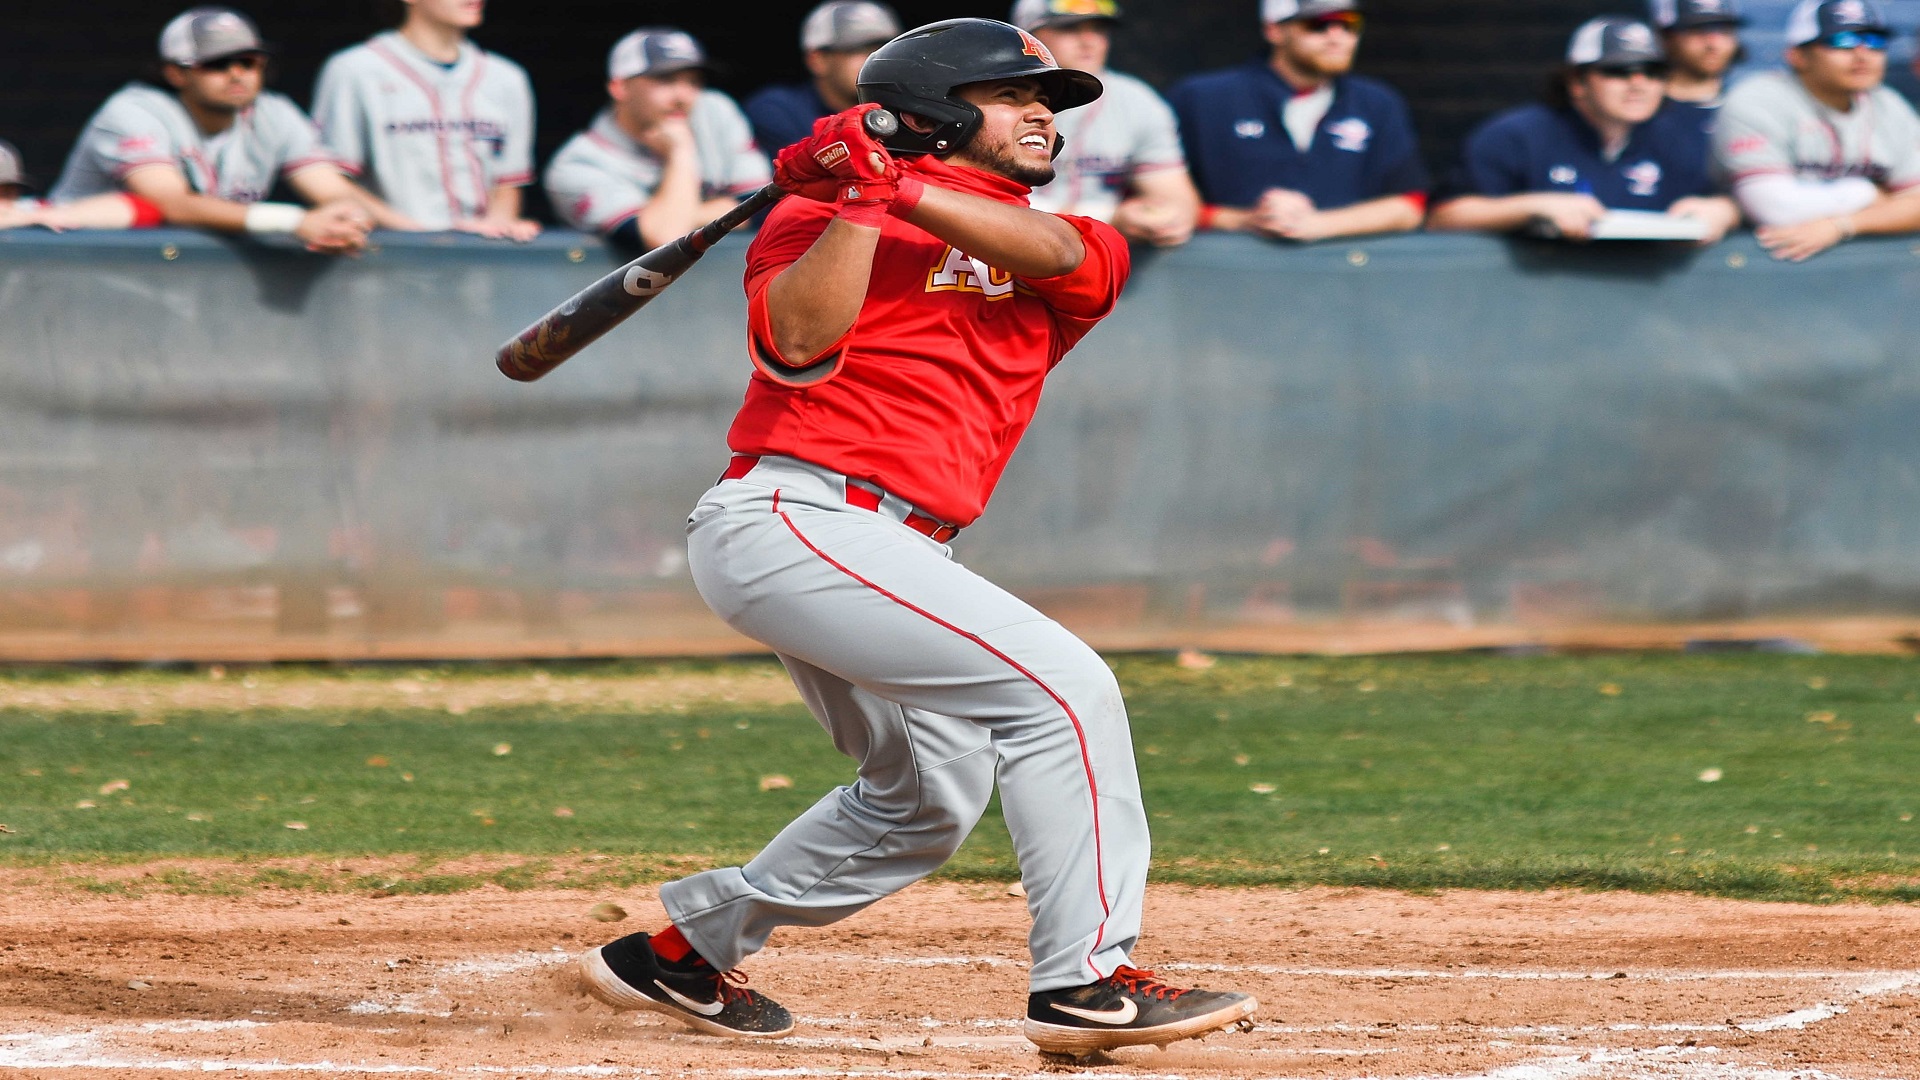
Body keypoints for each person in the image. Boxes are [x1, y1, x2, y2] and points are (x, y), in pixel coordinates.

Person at [573, 17, 1258, 1056]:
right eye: (1013, 95)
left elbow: (1060, 254)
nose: (1043, 113)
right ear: (936, 110)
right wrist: (853, 196)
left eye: (1051, 101)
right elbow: (800, 346)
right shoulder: (815, 216)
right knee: (1065, 692)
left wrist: (891, 183)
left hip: (900, 546)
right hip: (795, 516)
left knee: (923, 802)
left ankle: (681, 954)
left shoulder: (1074, 238)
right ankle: (1088, 981)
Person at [48, 7, 406, 253]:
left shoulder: (274, 112)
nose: (237, 73)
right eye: (217, 63)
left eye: (249, 61)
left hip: (178, 269)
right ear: (176, 73)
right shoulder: (133, 111)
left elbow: (332, 190)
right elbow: (171, 204)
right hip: (73, 254)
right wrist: (294, 220)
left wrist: (351, 220)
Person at [1429, 17, 1741, 242]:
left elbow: (1739, 200)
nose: (1639, 84)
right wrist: (1533, 206)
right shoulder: (1516, 135)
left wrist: (1722, 210)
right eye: (1618, 71)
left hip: (1649, 306)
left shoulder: (1681, 136)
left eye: (1653, 71)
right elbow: (1443, 218)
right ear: (1577, 83)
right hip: (1534, 302)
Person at [1167, 0, 1426, 242]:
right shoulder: (1203, 98)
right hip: (1222, 273)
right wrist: (1243, 220)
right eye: (1319, 25)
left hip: (1344, 276)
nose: (1337, 37)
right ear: (1274, 30)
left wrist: (1318, 224)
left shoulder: (1377, 102)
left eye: (1350, 24)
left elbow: (1411, 204)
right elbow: (1153, 199)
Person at [311, 0, 539, 240]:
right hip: (389, 253)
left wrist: (501, 226)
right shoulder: (353, 69)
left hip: (479, 256)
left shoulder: (507, 77)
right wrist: (420, 235)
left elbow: (508, 182)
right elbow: (331, 182)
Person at [1714, 0, 1920, 261]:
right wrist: (1868, 194)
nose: (1862, 54)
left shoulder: (1890, 105)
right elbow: (1775, 208)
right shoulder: (1756, 99)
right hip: (1750, 266)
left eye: (1874, 41)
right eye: (1842, 41)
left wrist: (1840, 226)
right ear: (1797, 56)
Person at [543, 29, 771, 249]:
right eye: (666, 80)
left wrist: (676, 215)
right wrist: (680, 153)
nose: (683, 96)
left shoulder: (714, 110)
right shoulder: (576, 164)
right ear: (620, 87)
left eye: (693, 82)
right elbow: (665, 238)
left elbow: (764, 207)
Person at [1010, 0, 1201, 246]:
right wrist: (1109, 217)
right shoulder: (993, 100)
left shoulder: (1138, 101)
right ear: (1026, 37)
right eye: (1070, 28)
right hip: (999, 262)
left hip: (1095, 262)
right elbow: (977, 204)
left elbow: (1179, 203)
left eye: (1099, 29)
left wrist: (1161, 219)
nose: (1089, 41)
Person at [744, 1, 903, 155]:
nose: (877, 60)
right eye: (859, 50)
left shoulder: (908, 108)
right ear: (817, 60)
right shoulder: (778, 109)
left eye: (886, 50)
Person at [0, 139, 151, 231]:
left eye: (6, 193)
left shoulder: (28, 212)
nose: (2, 204)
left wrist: (61, 215)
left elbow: (144, 208)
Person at [1650, 0, 1747, 135]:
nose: (1713, 43)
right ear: (1665, 38)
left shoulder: (1748, 111)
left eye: (1723, 30)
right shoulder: (1637, 112)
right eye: (1697, 30)